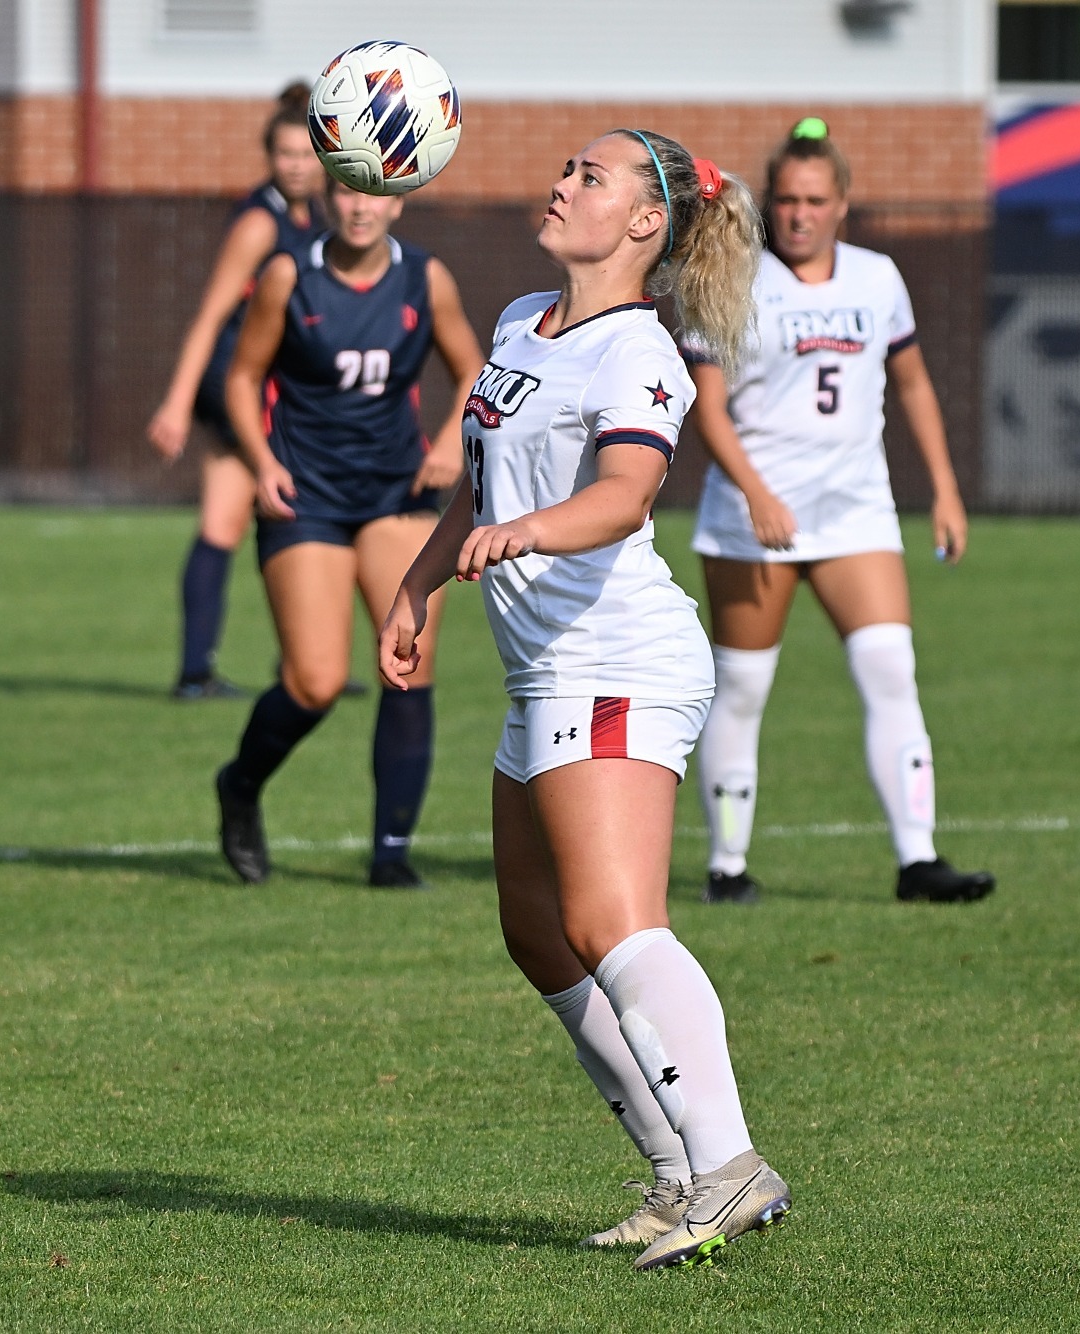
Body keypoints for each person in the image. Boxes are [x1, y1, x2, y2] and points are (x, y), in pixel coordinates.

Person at [381, 131, 789, 1270]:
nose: (559, 186)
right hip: (541, 670)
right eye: (563, 168)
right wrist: (418, 587)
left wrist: (529, 531)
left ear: (644, 223)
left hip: (617, 659)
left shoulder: (639, 351)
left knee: (613, 921)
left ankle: (730, 1162)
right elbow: (480, 487)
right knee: (538, 935)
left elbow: (619, 494)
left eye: (589, 177)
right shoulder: (519, 321)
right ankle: (675, 1174)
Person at [686, 119, 995, 906]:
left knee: (892, 668)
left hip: (857, 509)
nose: (798, 214)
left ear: (842, 204)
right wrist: (756, 491)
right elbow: (707, 408)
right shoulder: (732, 274)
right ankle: (727, 867)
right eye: (785, 199)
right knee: (745, 686)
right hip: (754, 517)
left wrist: (946, 490)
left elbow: (915, 383)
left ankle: (918, 861)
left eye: (815, 200)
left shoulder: (877, 278)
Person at [213, 171, 484, 890]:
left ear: (400, 200)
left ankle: (390, 854)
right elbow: (242, 377)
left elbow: (472, 372)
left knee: (407, 667)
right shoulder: (287, 275)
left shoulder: (426, 279)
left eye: (378, 193)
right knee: (316, 681)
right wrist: (260, 459)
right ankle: (239, 786)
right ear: (330, 198)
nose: (363, 206)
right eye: (350, 190)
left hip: (397, 492)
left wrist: (452, 444)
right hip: (308, 496)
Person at [148, 83, 330, 700]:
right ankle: (213, 671)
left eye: (306, 154)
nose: (297, 166)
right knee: (246, 518)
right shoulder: (260, 221)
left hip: (278, 392)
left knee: (266, 517)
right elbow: (210, 315)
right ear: (270, 158)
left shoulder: (315, 217)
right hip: (240, 388)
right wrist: (176, 402)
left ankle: (295, 664)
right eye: (284, 155)